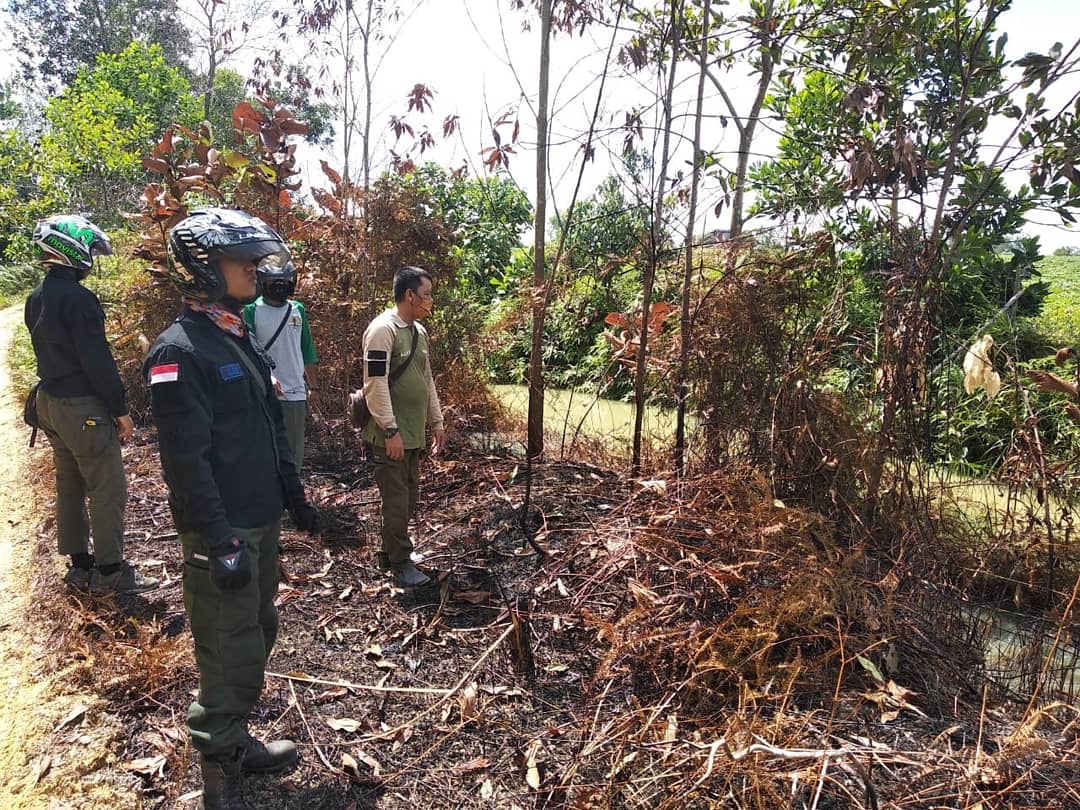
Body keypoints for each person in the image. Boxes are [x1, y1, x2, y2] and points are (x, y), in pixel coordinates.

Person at [143, 208, 320, 810]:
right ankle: (217, 771)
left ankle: (236, 738)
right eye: (240, 259)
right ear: (202, 268)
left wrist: (293, 496)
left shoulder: (232, 331)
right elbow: (186, 462)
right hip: (223, 527)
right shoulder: (179, 350)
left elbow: (269, 424)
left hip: (258, 516)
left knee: (258, 628)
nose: (254, 268)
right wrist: (219, 540)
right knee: (228, 644)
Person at [24, 215, 158, 595]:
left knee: (69, 483)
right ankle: (110, 571)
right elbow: (97, 361)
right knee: (106, 487)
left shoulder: (37, 296)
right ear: (73, 249)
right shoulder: (80, 300)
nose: (91, 260)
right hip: (82, 407)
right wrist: (120, 409)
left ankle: (79, 565)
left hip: (50, 403)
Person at [361, 265, 445, 588]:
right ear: (409, 296)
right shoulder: (383, 331)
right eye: (426, 295)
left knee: (408, 499)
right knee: (397, 501)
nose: (430, 301)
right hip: (391, 437)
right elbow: (375, 383)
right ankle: (400, 563)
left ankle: (388, 550)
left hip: (413, 434)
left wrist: (436, 421)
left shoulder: (419, 333)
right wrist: (390, 430)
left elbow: (426, 380)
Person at [241, 257, 318, 472]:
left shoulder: (297, 310)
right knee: (263, 448)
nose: (279, 285)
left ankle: (292, 499)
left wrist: (314, 386)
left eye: (284, 281)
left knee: (293, 452)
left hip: (294, 391)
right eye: (274, 281)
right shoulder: (251, 310)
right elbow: (248, 350)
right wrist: (267, 376)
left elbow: (307, 349)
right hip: (262, 391)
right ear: (263, 282)